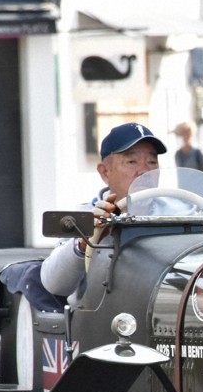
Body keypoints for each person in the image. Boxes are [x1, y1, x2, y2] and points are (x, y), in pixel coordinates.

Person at [40, 122, 165, 300]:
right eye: (132, 162)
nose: (144, 171)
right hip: (103, 317)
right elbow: (54, 284)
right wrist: (84, 241)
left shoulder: (182, 211)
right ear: (105, 172)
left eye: (152, 162)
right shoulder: (84, 216)